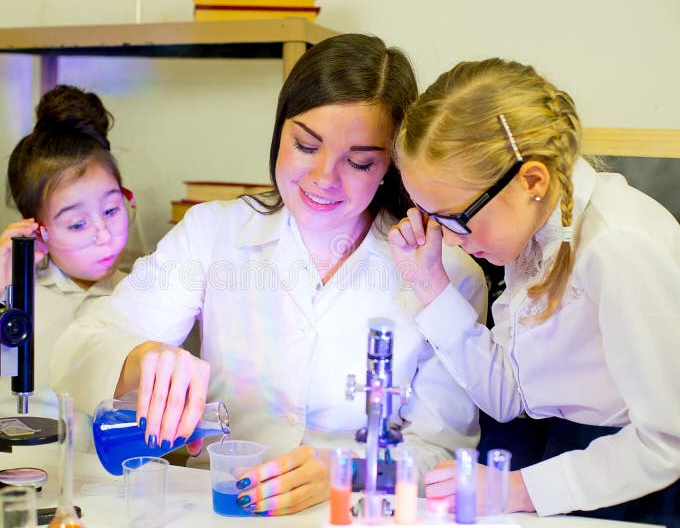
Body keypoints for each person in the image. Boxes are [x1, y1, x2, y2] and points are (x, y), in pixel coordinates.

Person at [52, 33, 488, 515]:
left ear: (391, 166)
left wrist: (350, 467)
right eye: (306, 145)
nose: (325, 177)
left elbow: (444, 453)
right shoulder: (215, 231)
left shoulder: (446, 274)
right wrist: (140, 357)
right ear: (279, 131)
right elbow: (78, 348)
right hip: (219, 509)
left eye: (360, 161)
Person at [389, 57, 680, 526]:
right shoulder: (535, 233)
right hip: (569, 457)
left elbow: (668, 440)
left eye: (454, 218)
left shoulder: (618, 247)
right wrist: (429, 283)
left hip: (642, 484)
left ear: (532, 181)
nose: (447, 238)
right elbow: (507, 394)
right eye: (428, 216)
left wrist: (518, 489)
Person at [0, 84, 132, 451]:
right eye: (78, 224)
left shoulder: (143, 295)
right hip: (11, 469)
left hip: (100, 485)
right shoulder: (17, 292)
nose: (103, 234)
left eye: (112, 210)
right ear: (37, 228)